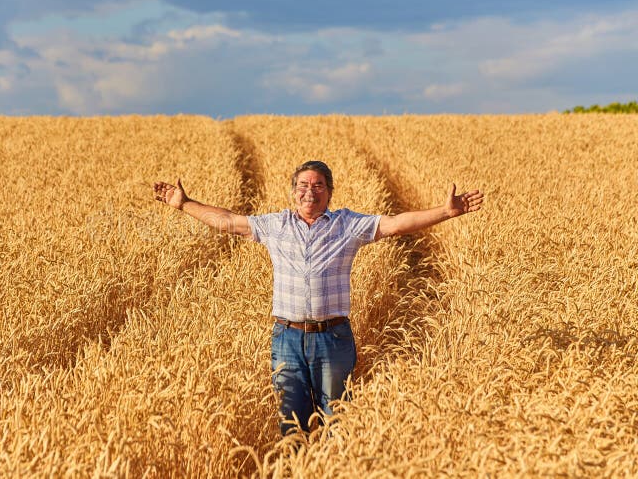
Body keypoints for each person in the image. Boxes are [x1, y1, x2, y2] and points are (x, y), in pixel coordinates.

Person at [153, 160, 484, 435]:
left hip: (333, 339)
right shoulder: (276, 225)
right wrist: (184, 204)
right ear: (293, 192)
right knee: (291, 426)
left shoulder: (348, 225)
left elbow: (396, 225)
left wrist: (445, 212)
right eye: (303, 185)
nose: (309, 191)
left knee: (335, 425)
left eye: (318, 185)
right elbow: (228, 221)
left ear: (329, 192)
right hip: (287, 338)